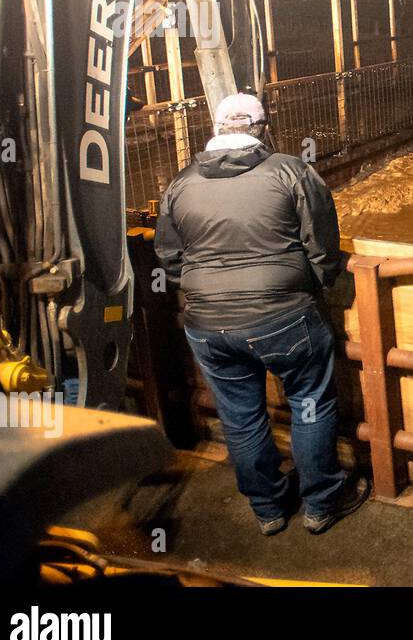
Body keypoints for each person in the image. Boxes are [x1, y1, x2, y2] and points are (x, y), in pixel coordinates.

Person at [156, 93, 369, 536]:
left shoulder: (180, 183)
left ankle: (268, 510)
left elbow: (171, 259)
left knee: (240, 415)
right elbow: (323, 246)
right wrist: (317, 285)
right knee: (310, 403)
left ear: (217, 129)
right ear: (260, 128)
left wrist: (207, 293)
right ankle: (321, 505)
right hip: (283, 317)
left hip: (207, 325)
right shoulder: (291, 171)